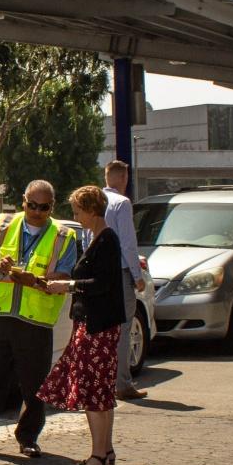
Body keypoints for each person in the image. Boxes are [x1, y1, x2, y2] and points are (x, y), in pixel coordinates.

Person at [0, 180, 80, 459]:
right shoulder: (4, 225)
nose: (37, 211)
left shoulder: (64, 236)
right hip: (0, 316)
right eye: (32, 205)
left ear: (52, 206)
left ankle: (28, 438)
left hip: (35, 320)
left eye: (44, 207)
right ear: (23, 201)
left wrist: (36, 280)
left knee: (34, 384)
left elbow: (65, 275)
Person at [39, 186, 127, 465]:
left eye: (78, 211)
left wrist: (68, 286)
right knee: (99, 391)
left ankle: (98, 455)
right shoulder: (95, 239)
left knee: (94, 392)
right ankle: (106, 450)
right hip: (91, 323)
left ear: (91, 210)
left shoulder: (106, 241)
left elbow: (101, 284)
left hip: (98, 325)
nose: (75, 216)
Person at [99, 161, 149, 400]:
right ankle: (122, 384)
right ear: (123, 178)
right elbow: (127, 244)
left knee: (102, 329)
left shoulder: (94, 200)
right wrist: (137, 277)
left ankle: (102, 382)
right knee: (122, 329)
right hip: (119, 272)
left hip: (97, 273)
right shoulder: (122, 203)